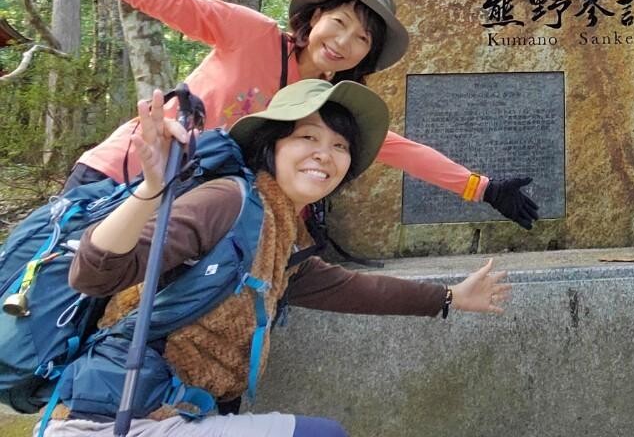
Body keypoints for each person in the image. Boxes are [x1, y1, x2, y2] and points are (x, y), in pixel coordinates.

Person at [0, 0, 537, 228]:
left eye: (361, 39)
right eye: (339, 21)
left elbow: (397, 148)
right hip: (120, 175)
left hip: (189, 213)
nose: (344, 41)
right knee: (48, 305)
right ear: (315, 17)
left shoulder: (327, 104)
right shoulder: (251, 34)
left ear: (366, 56)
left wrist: (481, 187)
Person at [43, 78, 512, 436]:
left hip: (177, 413)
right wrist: (150, 189)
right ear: (272, 146)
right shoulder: (228, 202)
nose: (325, 155)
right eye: (308, 138)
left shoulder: (280, 232)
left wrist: (449, 297)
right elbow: (94, 273)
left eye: (340, 146)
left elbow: (349, 288)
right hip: (114, 418)